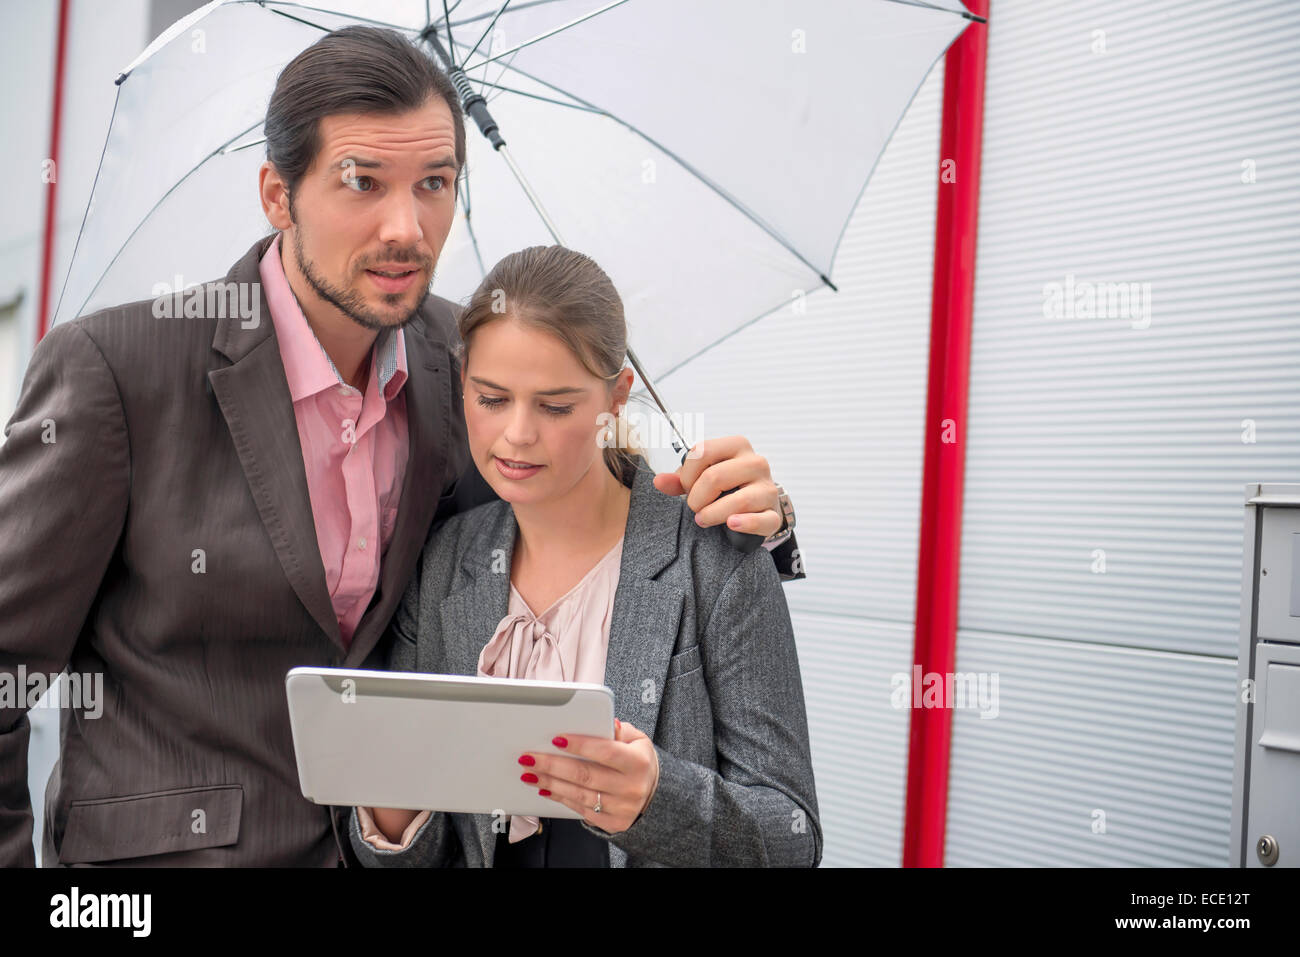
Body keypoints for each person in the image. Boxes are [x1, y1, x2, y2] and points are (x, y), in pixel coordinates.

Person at [0, 26, 804, 867]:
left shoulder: (472, 360)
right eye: (362, 182)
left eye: (434, 183)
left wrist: (758, 515)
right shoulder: (118, 369)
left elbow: (581, 507)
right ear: (278, 194)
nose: (408, 227)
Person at [351, 246, 821, 867]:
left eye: (555, 406)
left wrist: (659, 801)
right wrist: (392, 812)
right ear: (462, 382)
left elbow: (792, 837)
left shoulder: (717, 561)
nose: (518, 434)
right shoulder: (443, 563)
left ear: (618, 396)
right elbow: (423, 850)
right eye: (492, 399)